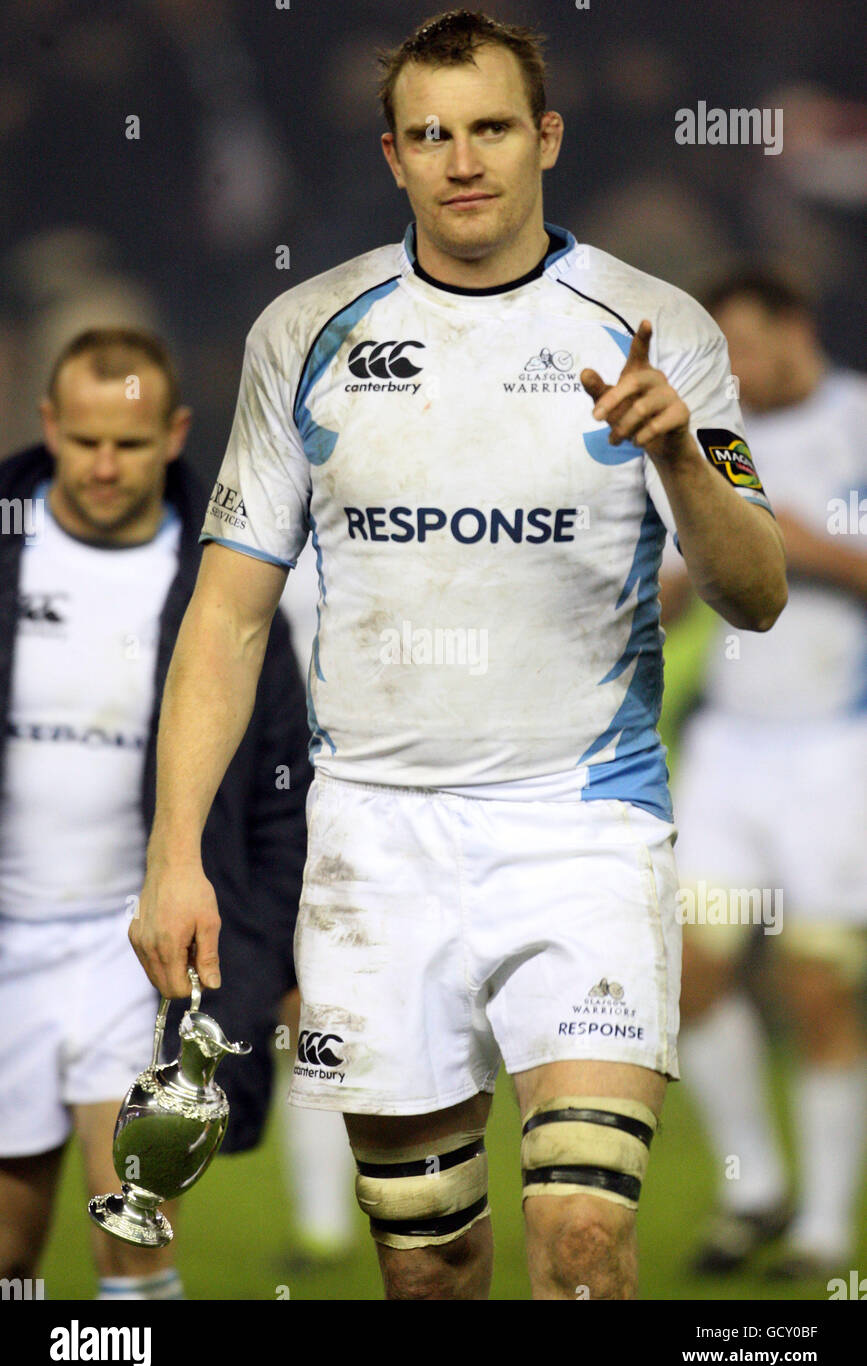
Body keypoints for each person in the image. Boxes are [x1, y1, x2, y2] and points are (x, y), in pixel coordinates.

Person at [131, 10, 786, 1301]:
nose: (461, 159)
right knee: (428, 1271)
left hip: (580, 829)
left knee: (583, 1240)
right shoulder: (304, 331)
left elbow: (751, 589)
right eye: (429, 135)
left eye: (488, 127)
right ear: (392, 156)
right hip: (374, 843)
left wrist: (672, 456)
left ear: (542, 136)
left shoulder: (657, 332)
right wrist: (173, 857)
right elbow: (224, 615)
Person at [0, 328, 310, 1299]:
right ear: (49, 425)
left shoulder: (227, 591)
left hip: (131, 947)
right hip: (6, 940)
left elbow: (282, 794)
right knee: (10, 1254)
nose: (102, 464)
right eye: (82, 439)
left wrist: (285, 960)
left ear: (175, 434)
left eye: (128, 443)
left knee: (130, 1232)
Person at [660, 269, 867, 1280]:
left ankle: (828, 1226)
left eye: (745, 344)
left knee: (818, 985)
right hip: (728, 750)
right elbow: (671, 590)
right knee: (691, 976)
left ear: (798, 329)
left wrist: (796, 544)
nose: (731, 370)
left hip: (837, 748)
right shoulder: (718, 445)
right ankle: (755, 1191)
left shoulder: (858, 423)